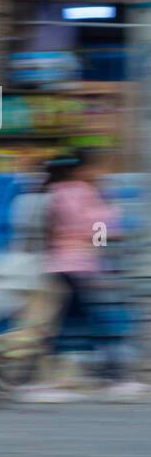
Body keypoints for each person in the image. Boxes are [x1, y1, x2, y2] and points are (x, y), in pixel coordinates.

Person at [23, 149, 145, 401]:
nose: (100, 173)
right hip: (79, 265)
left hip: (59, 265)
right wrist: (106, 235)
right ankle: (116, 378)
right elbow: (97, 229)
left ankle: (37, 380)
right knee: (100, 323)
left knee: (65, 324)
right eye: (97, 168)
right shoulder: (81, 191)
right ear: (81, 169)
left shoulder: (52, 191)